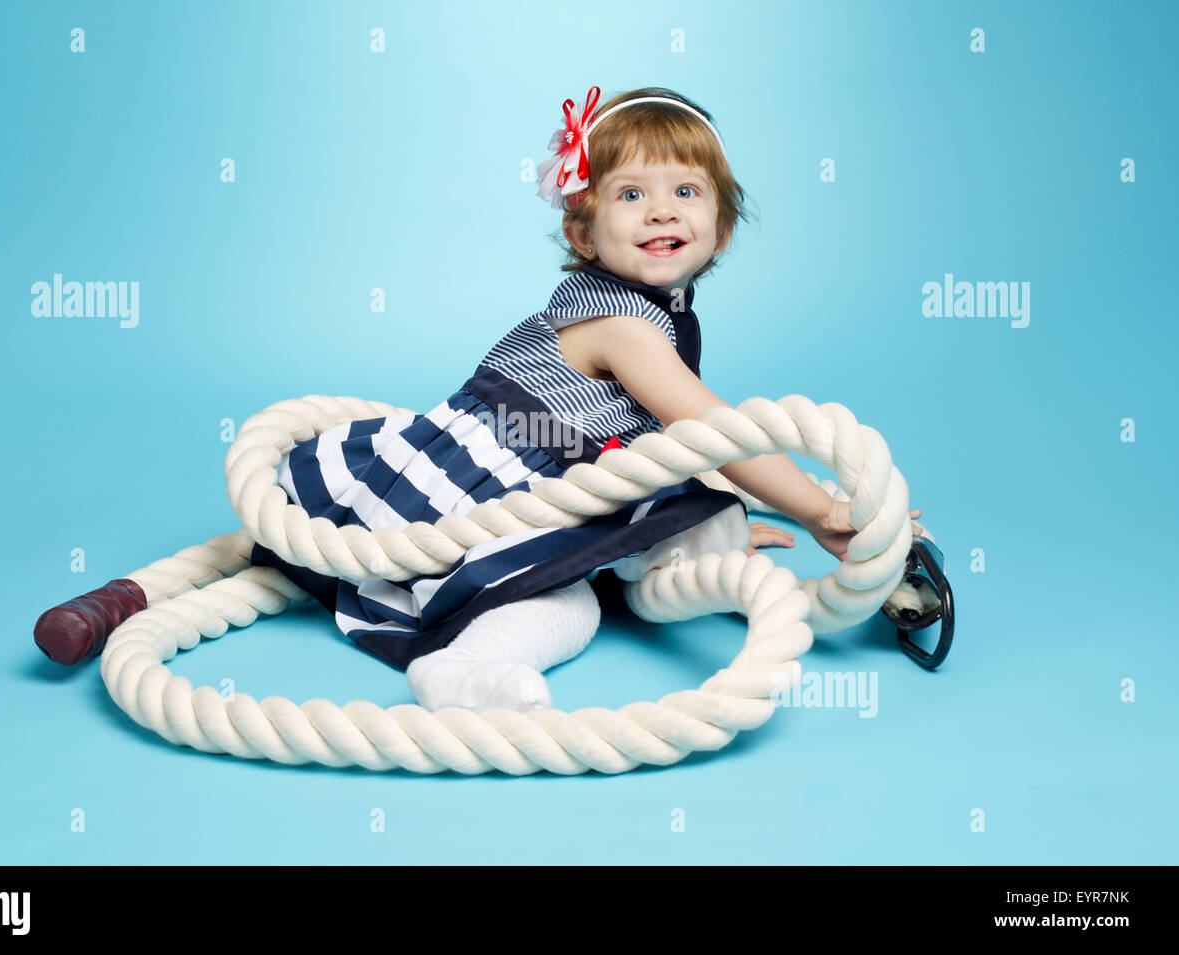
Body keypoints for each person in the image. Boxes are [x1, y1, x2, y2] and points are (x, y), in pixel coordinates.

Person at [249, 85, 922, 714]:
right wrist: (817, 509)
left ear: (722, 221)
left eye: (686, 189)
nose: (662, 209)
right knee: (572, 605)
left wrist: (736, 515)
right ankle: (463, 666)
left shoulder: (648, 309)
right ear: (582, 233)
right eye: (631, 194)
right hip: (502, 492)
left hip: (562, 468)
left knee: (707, 508)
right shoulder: (625, 328)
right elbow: (710, 424)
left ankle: (704, 547)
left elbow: (662, 440)